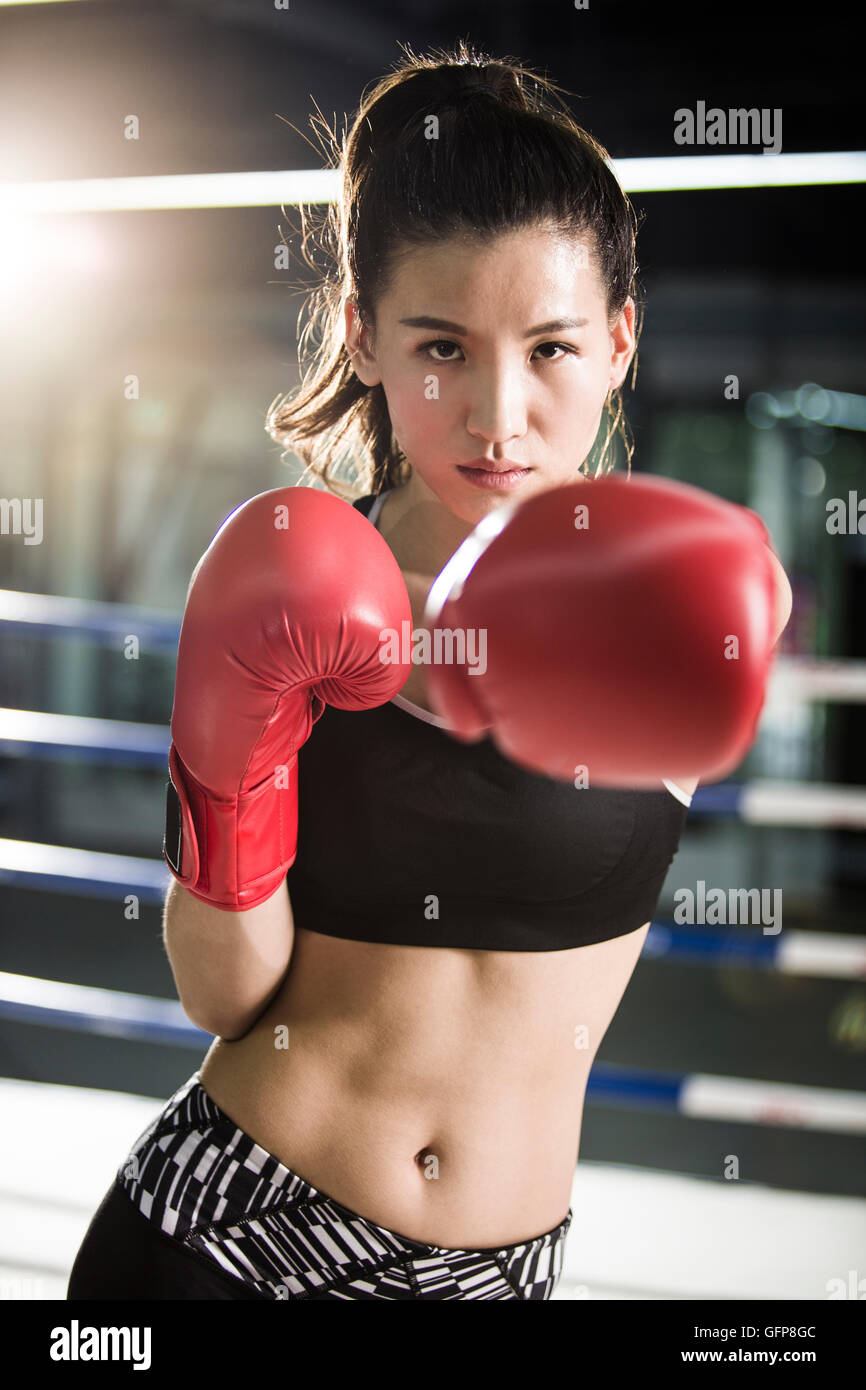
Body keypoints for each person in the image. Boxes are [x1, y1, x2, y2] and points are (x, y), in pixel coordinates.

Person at [67, 40, 792, 1302]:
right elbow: (219, 991)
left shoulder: (693, 597)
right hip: (222, 1234)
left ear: (619, 342)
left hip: (493, 1278)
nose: (496, 414)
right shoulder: (279, 590)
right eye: (442, 347)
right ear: (362, 336)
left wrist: (421, 640)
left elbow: (704, 625)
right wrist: (231, 738)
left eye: (551, 349)